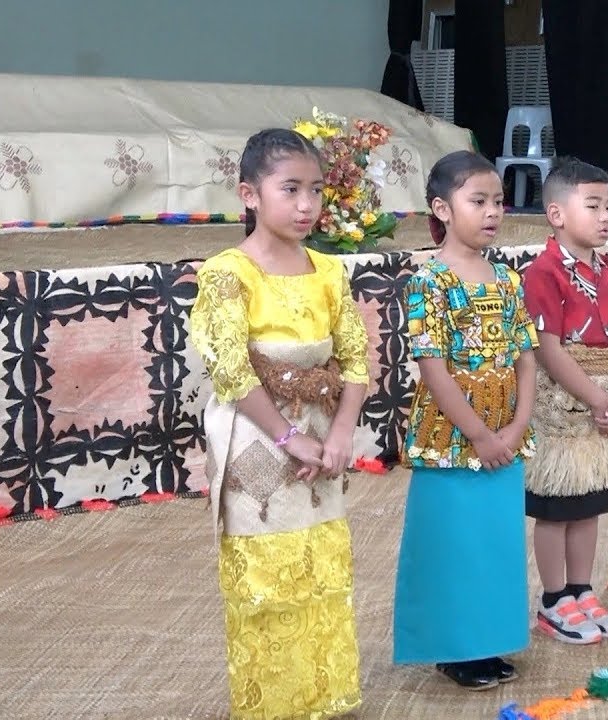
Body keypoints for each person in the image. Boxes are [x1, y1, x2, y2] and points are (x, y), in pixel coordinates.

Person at [189, 128, 368, 719]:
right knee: (265, 579)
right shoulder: (227, 274)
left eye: (315, 190)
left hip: (322, 439)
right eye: (289, 189)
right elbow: (232, 371)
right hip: (257, 438)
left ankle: (323, 699)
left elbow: (357, 360)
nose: (306, 205)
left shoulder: (328, 272)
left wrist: (340, 433)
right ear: (248, 194)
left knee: (322, 569)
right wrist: (291, 437)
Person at [393, 151, 538, 690]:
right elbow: (432, 366)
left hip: (505, 430)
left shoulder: (506, 277)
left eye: (498, 201)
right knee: (453, 541)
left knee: (494, 540)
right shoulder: (428, 281)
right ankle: (454, 648)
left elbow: (526, 353)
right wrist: (478, 433)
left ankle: (488, 640)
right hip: (454, 436)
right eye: (478, 201)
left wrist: (518, 425)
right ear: (442, 208)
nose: (492, 211)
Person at [521, 157, 608, 644]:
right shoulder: (544, 273)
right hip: (564, 407)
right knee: (556, 507)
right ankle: (553, 599)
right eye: (592, 205)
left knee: (590, 502)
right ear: (556, 214)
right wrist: (598, 395)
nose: (605, 216)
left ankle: (581, 588)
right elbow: (549, 349)